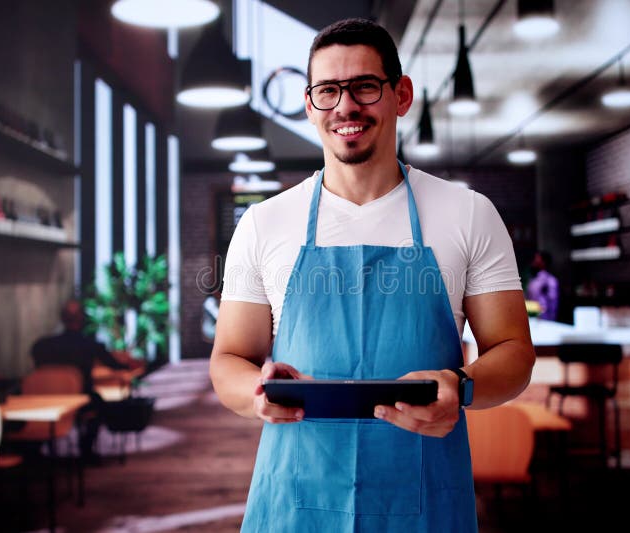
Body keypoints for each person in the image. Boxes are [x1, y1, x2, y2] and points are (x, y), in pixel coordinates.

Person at [209, 18, 535, 532]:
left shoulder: (468, 213)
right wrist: (257, 390)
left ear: (401, 95)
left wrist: (462, 386)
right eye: (327, 91)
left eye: (364, 86)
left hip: (425, 497)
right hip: (296, 498)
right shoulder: (263, 223)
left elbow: (514, 351)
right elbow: (229, 359)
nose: (345, 106)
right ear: (309, 102)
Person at [30, 298, 141, 462]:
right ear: (82, 319)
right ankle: (87, 450)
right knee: (100, 405)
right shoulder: (90, 345)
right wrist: (130, 363)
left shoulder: (43, 346)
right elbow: (115, 365)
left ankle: (34, 452)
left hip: (49, 399)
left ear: (62, 318)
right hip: (81, 398)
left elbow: (36, 359)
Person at [525, 250, 559, 321]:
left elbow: (552, 305)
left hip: (545, 320)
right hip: (531, 319)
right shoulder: (533, 280)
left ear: (543, 262)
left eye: (537, 260)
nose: (534, 262)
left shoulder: (550, 281)